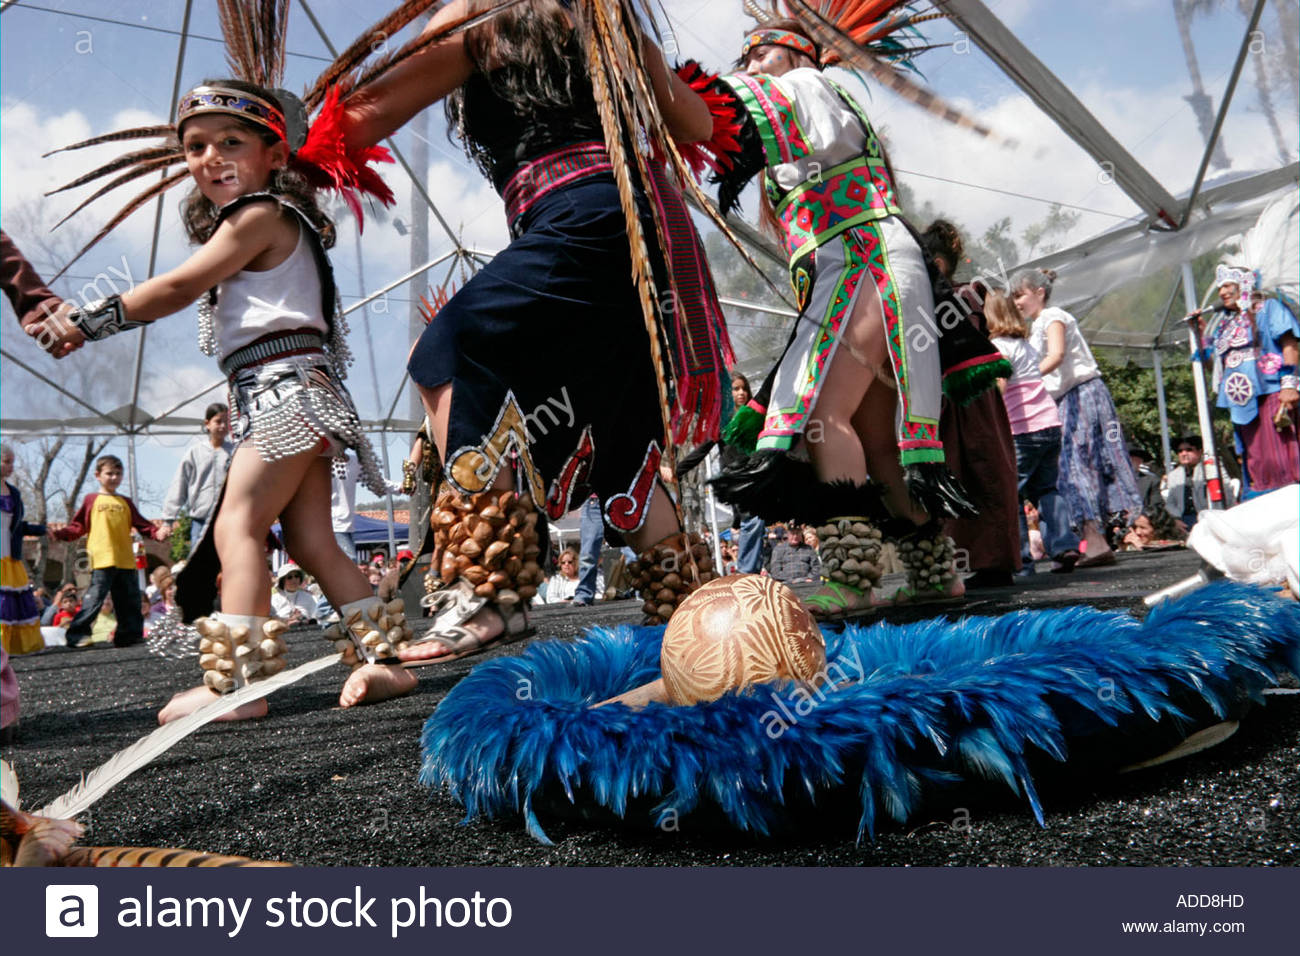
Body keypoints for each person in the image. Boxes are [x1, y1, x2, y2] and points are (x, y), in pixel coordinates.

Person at [339, 0, 732, 660]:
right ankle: (693, 611)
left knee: (449, 347)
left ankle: (492, 588)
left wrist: (282, 139)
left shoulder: (485, 14)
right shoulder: (607, 19)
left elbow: (366, 117)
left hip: (584, 217)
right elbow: (695, 118)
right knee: (612, 423)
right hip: (635, 228)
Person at [32, 69, 418, 718]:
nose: (211, 158)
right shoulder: (270, 221)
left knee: (239, 524)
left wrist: (86, 320)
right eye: (196, 146)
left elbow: (180, 286)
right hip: (304, 397)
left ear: (274, 156)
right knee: (314, 543)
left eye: (231, 142)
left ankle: (237, 684)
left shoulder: (259, 217)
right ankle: (386, 661)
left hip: (285, 400)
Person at [696, 17, 1007, 618]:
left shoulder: (809, 86)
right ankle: (935, 574)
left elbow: (755, 112)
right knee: (874, 438)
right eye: (747, 58)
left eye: (760, 55)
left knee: (819, 414)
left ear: (796, 53)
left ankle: (853, 576)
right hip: (862, 268)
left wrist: (694, 96)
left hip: (865, 264)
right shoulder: (808, 112)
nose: (751, 67)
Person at [1014, 268, 1141, 567]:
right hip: (1066, 400)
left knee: (1076, 467)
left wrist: (1023, 378)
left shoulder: (1053, 316)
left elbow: (1056, 354)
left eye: (1020, 295)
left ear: (1039, 292)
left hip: (1081, 394)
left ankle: (1095, 541)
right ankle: (1089, 539)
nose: (1016, 302)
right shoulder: (1035, 328)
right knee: (1072, 469)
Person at [923, 221, 1023, 589]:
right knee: (963, 472)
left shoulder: (963, 295)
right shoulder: (951, 296)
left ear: (936, 262)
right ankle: (970, 562)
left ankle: (991, 562)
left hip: (967, 396)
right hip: (957, 398)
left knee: (982, 470)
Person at [984, 290, 1079, 574]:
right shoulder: (1025, 346)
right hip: (1049, 425)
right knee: (1047, 489)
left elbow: (1000, 384)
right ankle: (1064, 546)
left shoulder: (998, 347)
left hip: (1022, 431)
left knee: (1011, 494)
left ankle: (1021, 560)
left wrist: (989, 415)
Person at [1192, 266, 1300, 494]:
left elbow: (1289, 343)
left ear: (1245, 284)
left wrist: (1289, 385)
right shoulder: (1224, 325)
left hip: (1271, 394)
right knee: (1255, 460)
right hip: (1240, 402)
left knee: (1278, 458)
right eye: (1220, 287)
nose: (1222, 292)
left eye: (1227, 285)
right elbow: (1217, 368)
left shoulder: (1268, 308)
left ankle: (1287, 502)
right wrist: (1201, 335)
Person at [49, 456, 164, 648]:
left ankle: (129, 635)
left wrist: (157, 533)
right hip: (102, 559)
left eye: (118, 474)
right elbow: (77, 527)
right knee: (95, 597)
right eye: (109, 473)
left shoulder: (125, 501)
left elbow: (143, 525)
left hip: (126, 559)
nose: (114, 477)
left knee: (129, 599)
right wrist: (59, 534)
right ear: (98, 475)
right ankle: (77, 634)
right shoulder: (91, 500)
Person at [158, 403, 233, 547]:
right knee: (201, 563)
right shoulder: (195, 453)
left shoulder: (234, 452)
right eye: (218, 421)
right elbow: (179, 485)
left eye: (227, 422)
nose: (223, 426)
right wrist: (168, 521)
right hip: (201, 520)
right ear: (207, 424)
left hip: (228, 519)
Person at [1, 443, 47, 655]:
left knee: (11, 601)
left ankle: (13, 646)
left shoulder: (14, 493)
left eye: (12, 462)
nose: (11, 467)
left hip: (10, 555)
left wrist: (42, 530)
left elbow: (19, 526)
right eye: (6, 462)